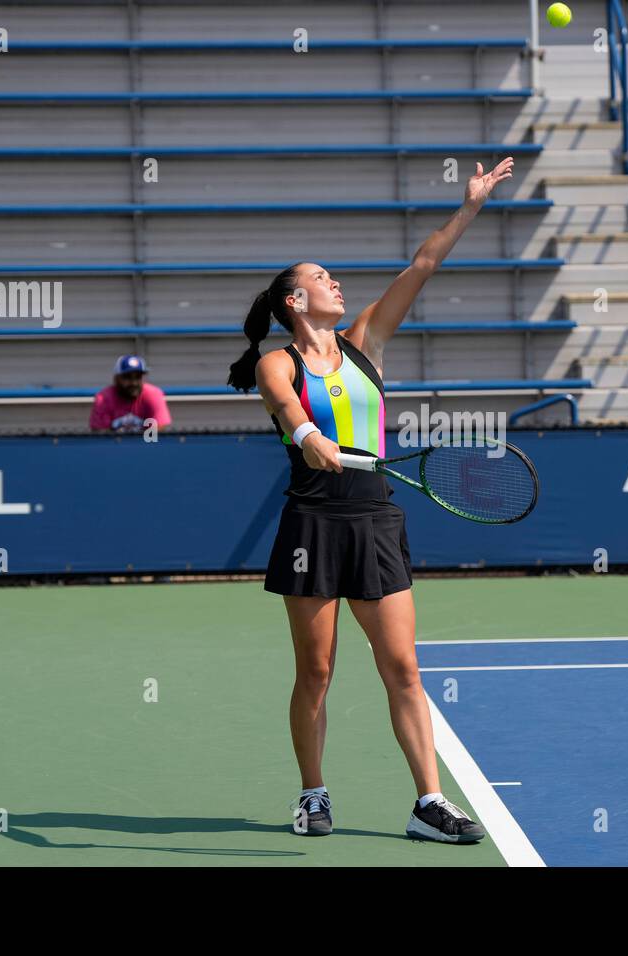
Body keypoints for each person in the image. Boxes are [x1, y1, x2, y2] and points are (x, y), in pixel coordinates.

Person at [227, 157, 515, 843]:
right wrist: (305, 434)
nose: (334, 282)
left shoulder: (365, 343)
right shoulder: (281, 357)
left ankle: (428, 805)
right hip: (314, 519)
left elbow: (421, 265)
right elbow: (279, 398)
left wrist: (470, 205)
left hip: (376, 514)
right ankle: (313, 794)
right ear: (295, 302)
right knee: (318, 670)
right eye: (319, 278)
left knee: (404, 668)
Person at [89, 355, 172, 433]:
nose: (134, 383)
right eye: (127, 377)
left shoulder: (153, 394)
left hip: (145, 447)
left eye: (138, 377)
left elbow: (157, 433)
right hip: (114, 447)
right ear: (116, 378)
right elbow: (101, 437)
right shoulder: (103, 398)